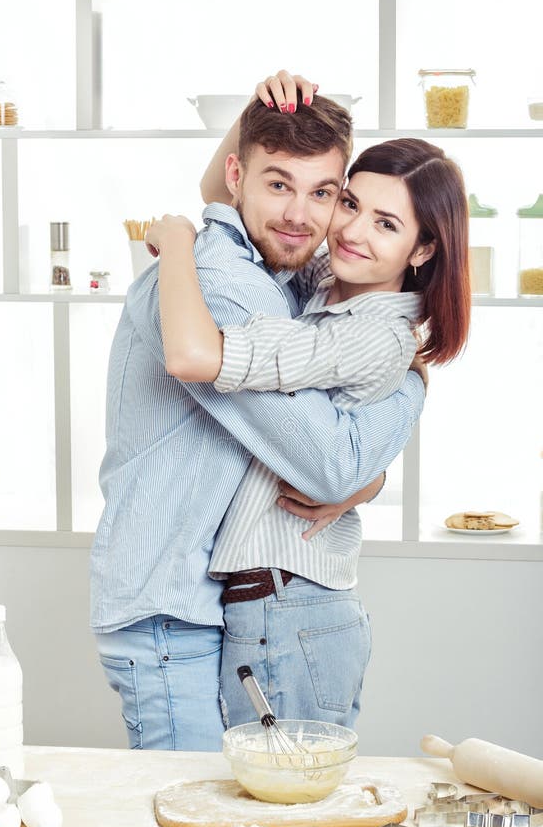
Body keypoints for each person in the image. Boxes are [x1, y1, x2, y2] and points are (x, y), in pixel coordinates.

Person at [91, 76, 426, 752]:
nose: (305, 216)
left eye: (326, 194)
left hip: (193, 605)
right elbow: (328, 465)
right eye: (279, 186)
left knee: (229, 826)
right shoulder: (223, 285)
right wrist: (380, 444)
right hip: (168, 608)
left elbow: (235, 191)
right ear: (242, 177)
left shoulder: (268, 265)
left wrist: (373, 475)